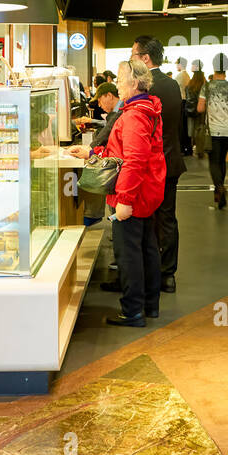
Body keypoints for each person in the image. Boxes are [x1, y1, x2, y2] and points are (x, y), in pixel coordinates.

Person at [68, 59, 166, 327]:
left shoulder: (134, 116)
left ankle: (133, 311)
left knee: (129, 252)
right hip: (146, 190)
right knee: (146, 247)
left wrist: (124, 200)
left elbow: (134, 161)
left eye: (122, 81)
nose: (119, 86)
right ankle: (149, 304)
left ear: (134, 84)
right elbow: (123, 153)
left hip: (134, 193)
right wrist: (92, 152)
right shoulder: (145, 110)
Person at [131, 35, 187, 293]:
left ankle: (148, 272)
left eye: (134, 55)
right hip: (172, 161)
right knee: (167, 218)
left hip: (151, 164)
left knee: (146, 218)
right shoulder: (173, 85)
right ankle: (168, 274)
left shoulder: (145, 87)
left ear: (145, 58)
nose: (132, 60)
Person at [197, 53, 228, 208]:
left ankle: (219, 187)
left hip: (212, 130)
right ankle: (221, 192)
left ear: (214, 67)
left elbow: (200, 108)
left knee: (213, 161)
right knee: (222, 159)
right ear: (227, 68)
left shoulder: (207, 86)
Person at [173, 57, 192, 157]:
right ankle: (187, 148)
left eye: (177, 64)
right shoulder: (187, 75)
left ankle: (183, 148)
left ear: (180, 64)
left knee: (181, 126)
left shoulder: (180, 75)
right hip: (185, 102)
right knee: (185, 126)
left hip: (181, 102)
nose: (176, 66)